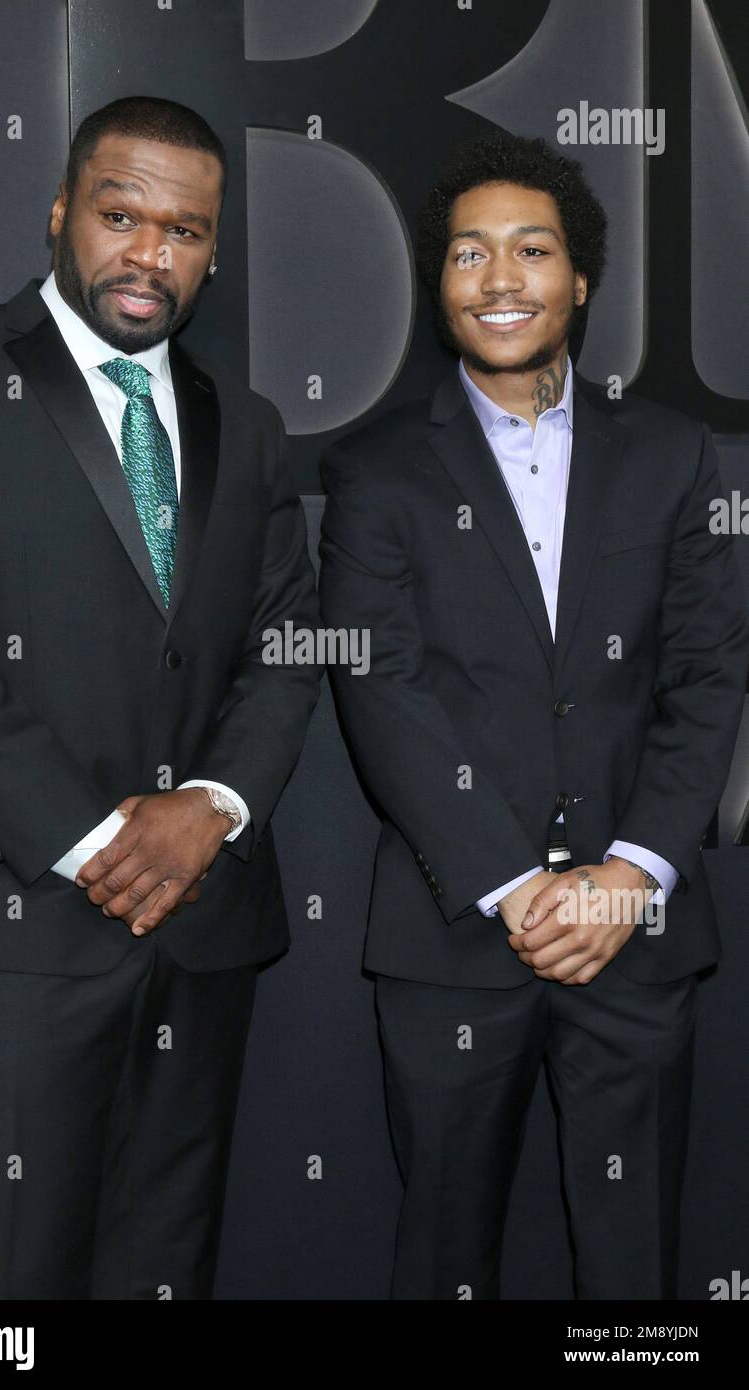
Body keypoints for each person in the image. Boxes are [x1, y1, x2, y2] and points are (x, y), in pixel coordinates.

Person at [0, 95, 320, 1299]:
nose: (148, 253)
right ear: (61, 210)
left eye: (183, 230)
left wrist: (212, 807)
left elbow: (285, 640)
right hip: (13, 914)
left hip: (203, 922)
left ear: (214, 250)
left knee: (163, 1263)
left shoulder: (253, 424)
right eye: (120, 214)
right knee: (3, 1284)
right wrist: (94, 842)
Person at [319, 132, 749, 1300]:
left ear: (580, 279)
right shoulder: (378, 471)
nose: (497, 278)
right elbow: (379, 685)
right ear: (438, 281)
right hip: (454, 933)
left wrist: (628, 875)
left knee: (633, 1270)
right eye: (467, 252)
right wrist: (514, 885)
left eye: (530, 248)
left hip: (638, 931)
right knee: (444, 1254)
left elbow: (707, 674)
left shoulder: (668, 455)